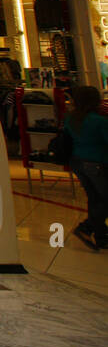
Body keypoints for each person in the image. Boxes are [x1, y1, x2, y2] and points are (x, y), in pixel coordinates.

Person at [65, 86, 108, 251]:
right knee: (104, 199)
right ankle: (87, 227)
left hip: (78, 162)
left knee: (94, 198)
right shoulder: (99, 121)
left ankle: (100, 234)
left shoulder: (70, 118)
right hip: (97, 162)